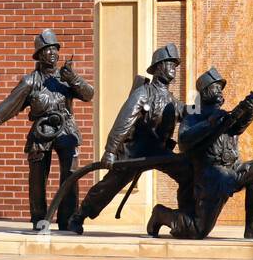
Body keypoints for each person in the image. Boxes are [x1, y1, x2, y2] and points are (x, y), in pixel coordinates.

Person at [0, 29, 94, 230]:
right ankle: (39, 219)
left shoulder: (65, 77)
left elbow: (88, 95)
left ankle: (68, 219)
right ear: (39, 55)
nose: (52, 54)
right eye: (47, 50)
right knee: (37, 177)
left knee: (71, 172)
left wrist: (73, 78)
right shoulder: (30, 82)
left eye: (54, 50)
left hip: (66, 128)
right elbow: (5, 108)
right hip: (42, 131)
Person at [67, 43, 190, 235]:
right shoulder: (143, 93)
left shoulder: (172, 100)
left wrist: (206, 111)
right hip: (136, 151)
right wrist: (110, 151)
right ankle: (80, 215)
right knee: (109, 185)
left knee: (188, 173)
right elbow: (123, 122)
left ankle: (185, 217)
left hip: (159, 151)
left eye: (175, 64)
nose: (173, 68)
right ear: (157, 67)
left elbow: (188, 113)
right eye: (168, 64)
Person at [146, 67, 253, 241]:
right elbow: (184, 141)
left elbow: (238, 127)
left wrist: (251, 110)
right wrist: (209, 123)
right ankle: (161, 215)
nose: (220, 92)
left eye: (221, 88)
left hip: (233, 169)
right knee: (197, 230)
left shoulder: (225, 115)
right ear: (205, 92)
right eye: (216, 87)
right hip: (212, 176)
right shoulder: (194, 115)